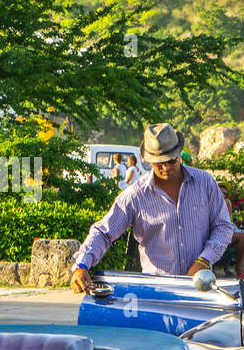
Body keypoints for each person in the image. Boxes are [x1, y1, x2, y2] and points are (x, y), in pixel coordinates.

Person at [70, 123, 235, 293]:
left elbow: (222, 227)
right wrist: (81, 265)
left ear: (179, 154)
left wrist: (204, 260)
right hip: (158, 292)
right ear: (149, 161)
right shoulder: (136, 195)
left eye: (172, 161)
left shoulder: (205, 182)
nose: (166, 168)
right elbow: (104, 232)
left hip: (201, 288)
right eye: (159, 163)